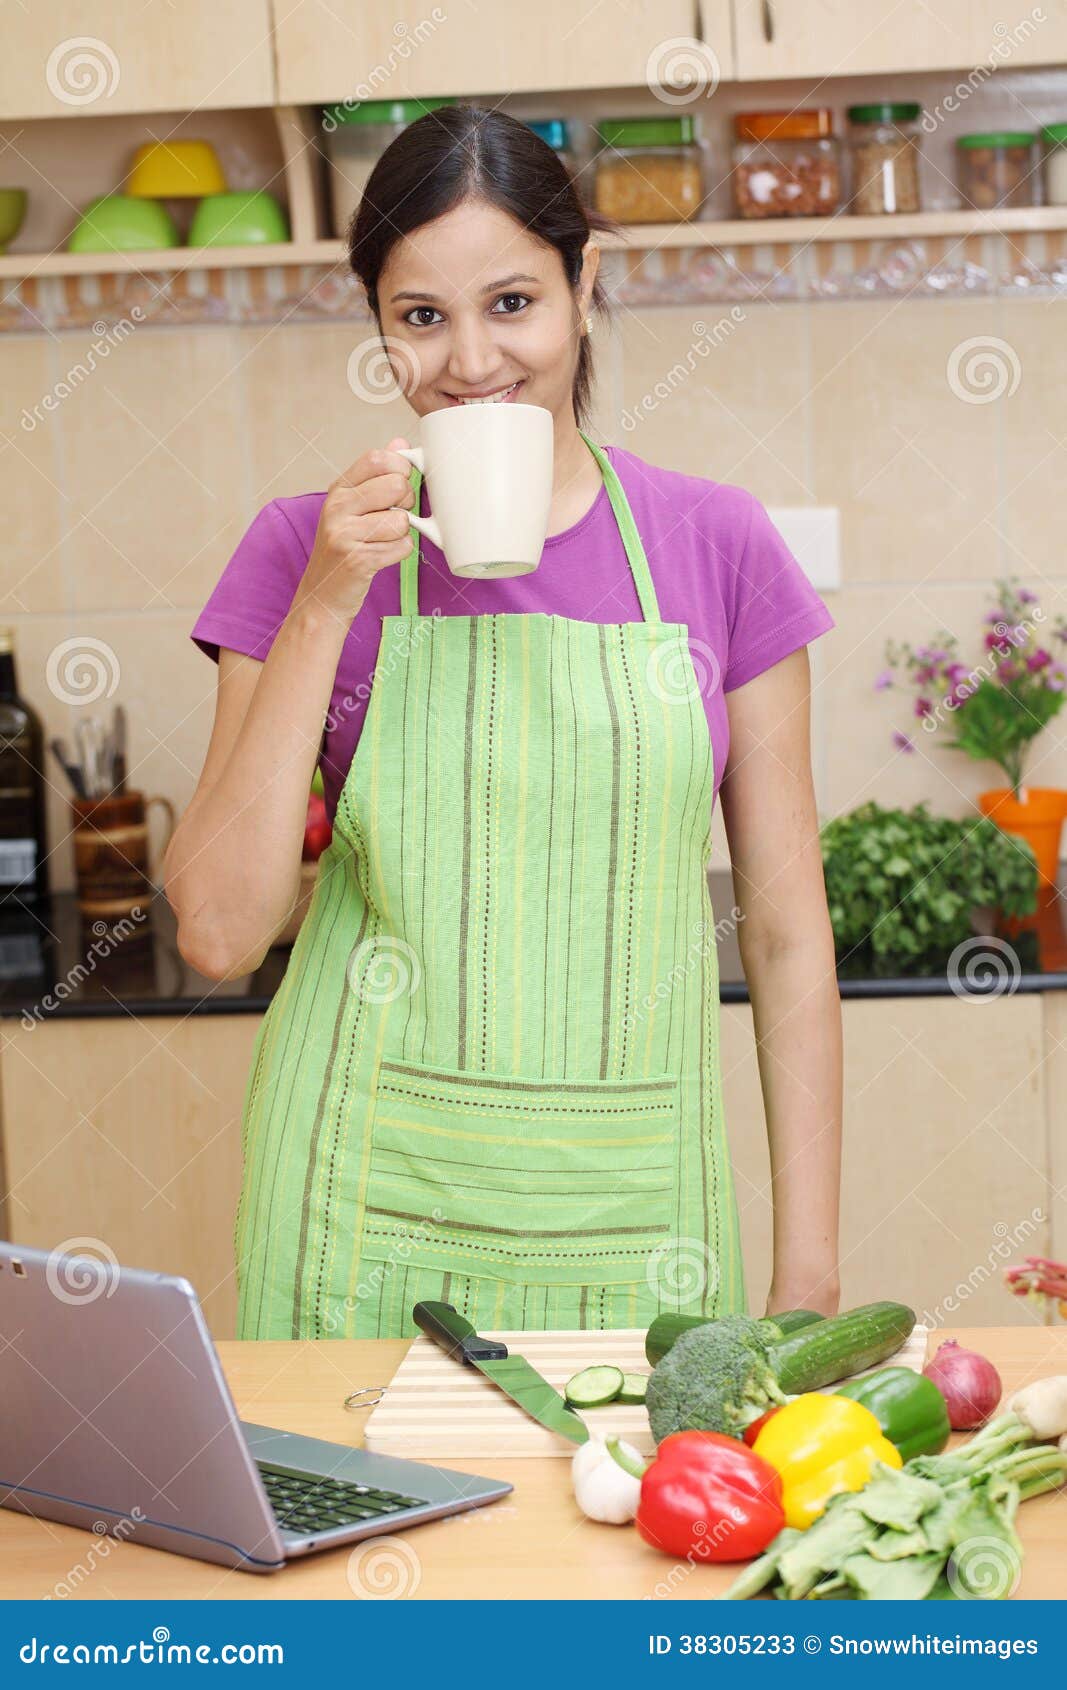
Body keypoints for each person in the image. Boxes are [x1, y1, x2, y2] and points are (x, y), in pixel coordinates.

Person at [165, 106, 842, 1342]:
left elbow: (788, 934)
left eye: (512, 302)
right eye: (420, 316)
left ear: (584, 283)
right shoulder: (298, 551)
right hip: (367, 1198)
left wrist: (808, 1270)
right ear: (377, 329)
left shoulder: (718, 546)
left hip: (633, 1204)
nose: (469, 359)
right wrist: (323, 603)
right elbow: (218, 928)